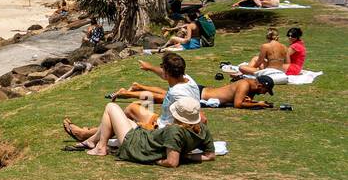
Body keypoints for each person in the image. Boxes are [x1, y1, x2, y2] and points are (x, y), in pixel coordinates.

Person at [62, 96, 214, 165]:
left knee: (111, 107)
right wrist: (186, 156)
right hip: (145, 137)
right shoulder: (202, 129)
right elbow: (210, 155)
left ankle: (100, 148)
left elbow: (172, 162)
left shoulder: (175, 131)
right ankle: (90, 141)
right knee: (119, 118)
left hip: (137, 145)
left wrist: (179, 158)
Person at [111, 74, 275, 109]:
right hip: (199, 95)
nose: (263, 95)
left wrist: (255, 102)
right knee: (163, 98)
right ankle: (125, 93)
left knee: (165, 92)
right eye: (265, 91)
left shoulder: (249, 86)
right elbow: (238, 104)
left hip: (201, 92)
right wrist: (258, 104)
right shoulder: (245, 85)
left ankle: (138, 86)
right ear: (261, 86)